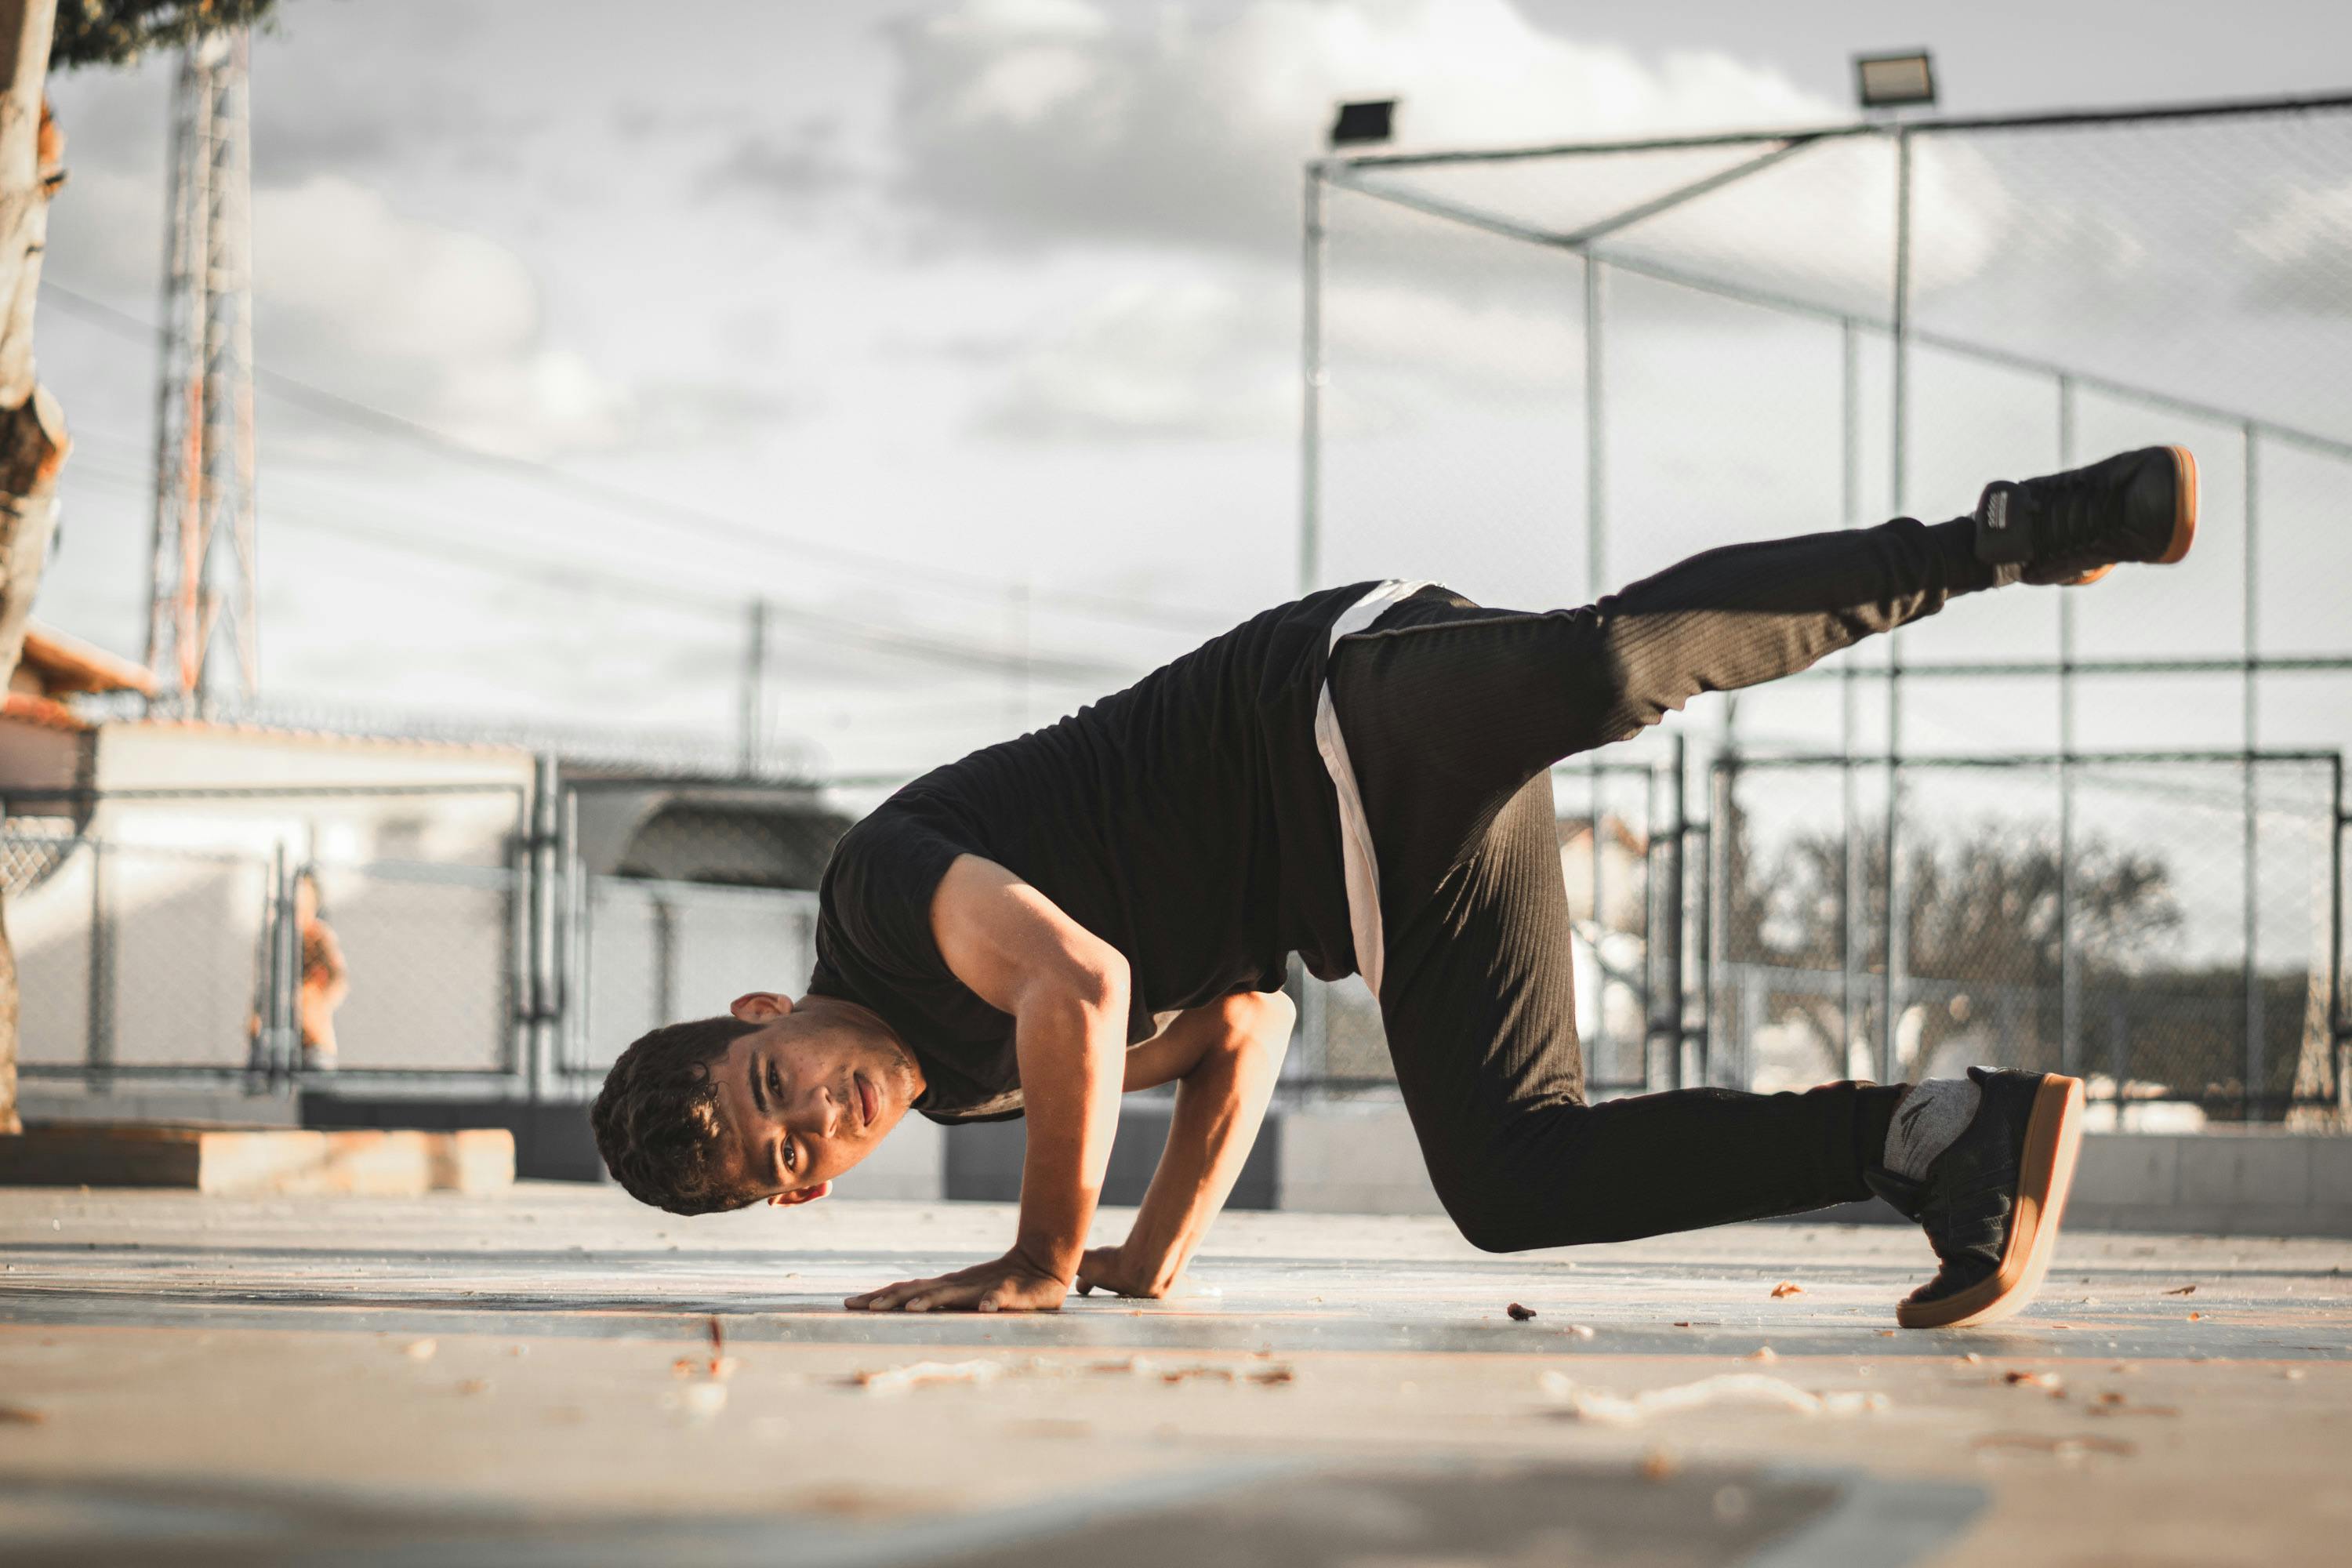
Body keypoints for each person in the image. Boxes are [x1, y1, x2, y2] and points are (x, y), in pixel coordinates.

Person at [592, 446, 2197, 1330]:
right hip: (1387, 884)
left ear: (758, 1013)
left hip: (1334, 699)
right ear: (806, 1192)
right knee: (1509, 1183)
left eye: (775, 1083)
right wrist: (1150, 1257)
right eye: (794, 1151)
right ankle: (1935, 1138)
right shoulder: (957, 1092)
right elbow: (1240, 1032)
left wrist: (1038, 1260)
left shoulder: (880, 894)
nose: (823, 1111)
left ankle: (2016, 534)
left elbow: (1076, 982)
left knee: (1603, 661)